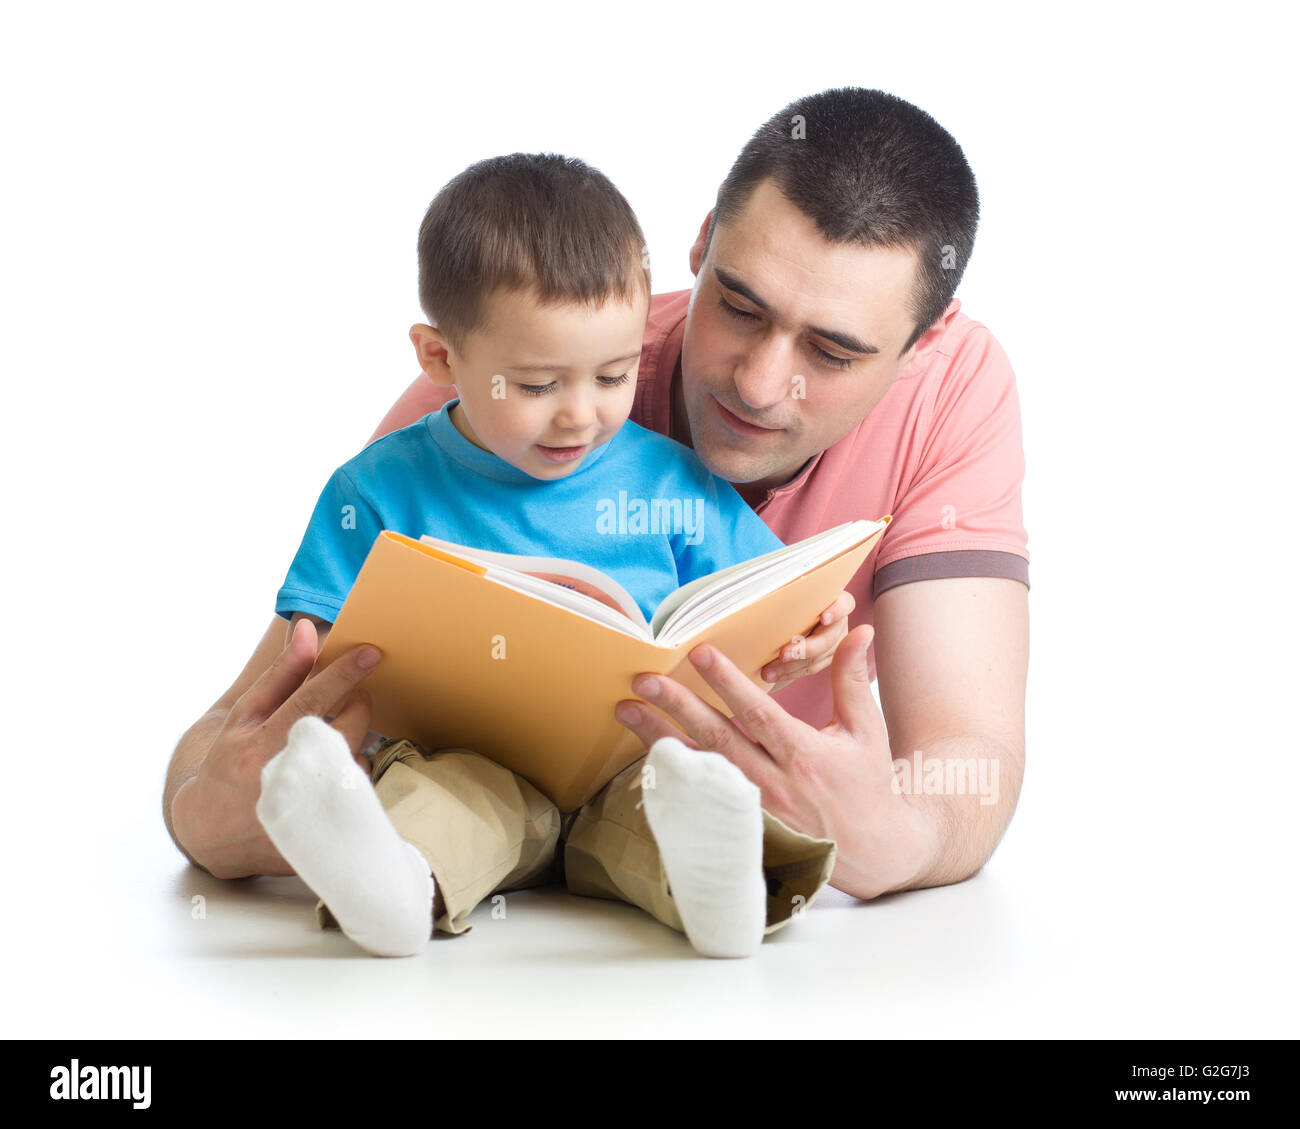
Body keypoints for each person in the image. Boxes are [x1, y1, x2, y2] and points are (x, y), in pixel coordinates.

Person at [165, 86, 1029, 924]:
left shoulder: (955, 393)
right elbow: (232, 734)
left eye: (835, 351)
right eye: (736, 304)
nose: (760, 385)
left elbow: (970, 751)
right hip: (470, 786)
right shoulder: (493, 394)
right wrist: (214, 818)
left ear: (926, 343)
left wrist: (902, 838)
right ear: (699, 242)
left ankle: (723, 883)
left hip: (671, 791)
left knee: (681, 811)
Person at [254, 152, 855, 958]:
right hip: (462, 759)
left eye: (612, 374)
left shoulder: (676, 480)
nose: (580, 415)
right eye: (536, 385)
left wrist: (818, 620)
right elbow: (314, 644)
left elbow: (765, 590)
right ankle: (393, 891)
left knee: (669, 796)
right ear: (439, 359)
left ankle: (719, 889)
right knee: (439, 802)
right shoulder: (381, 486)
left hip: (632, 754)